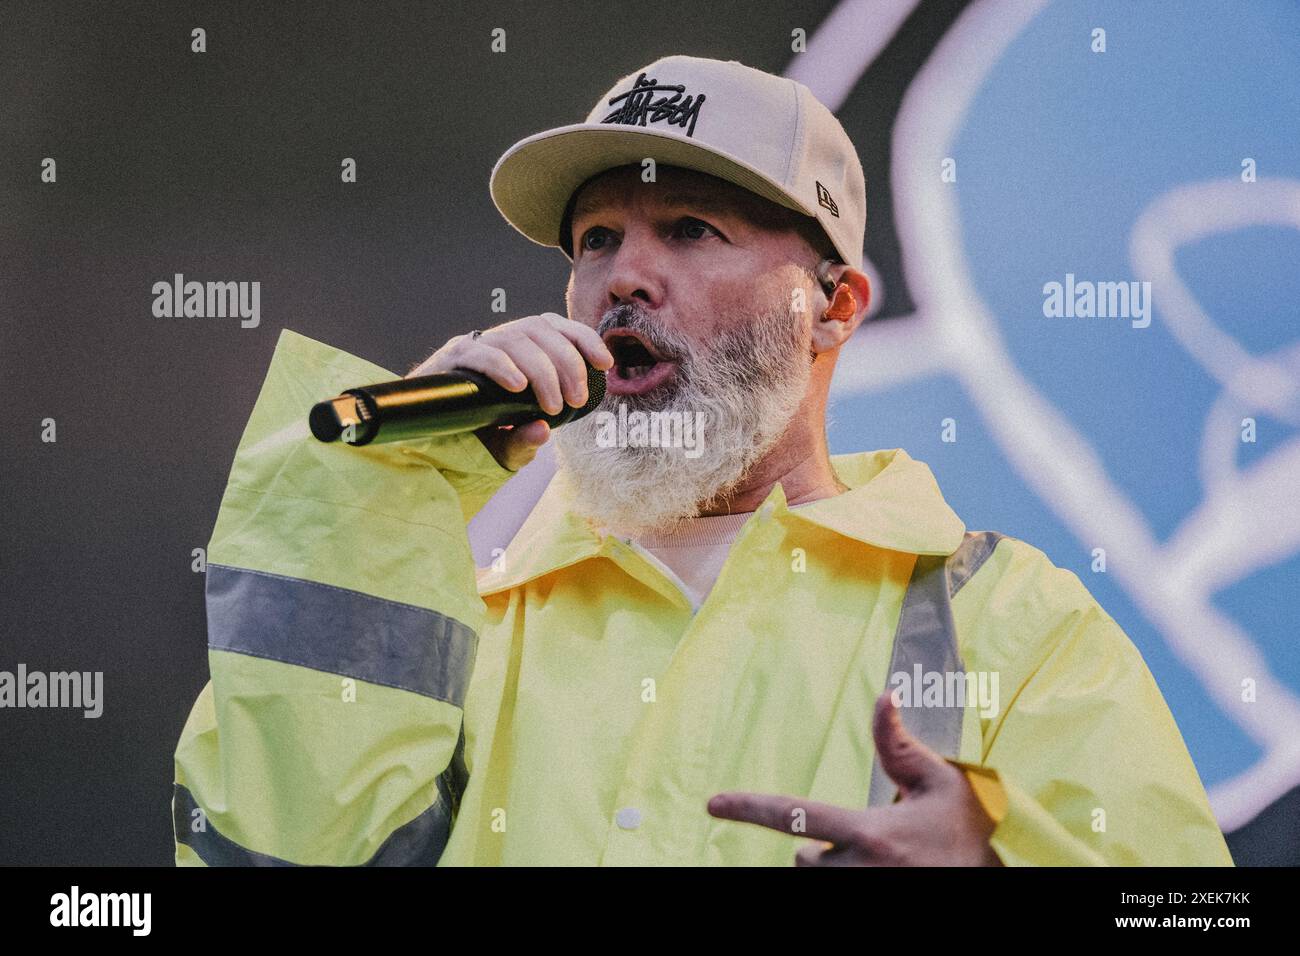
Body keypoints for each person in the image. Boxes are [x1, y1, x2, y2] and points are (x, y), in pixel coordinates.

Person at [171, 55, 1234, 866]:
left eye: (688, 228)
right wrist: (375, 491)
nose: (622, 277)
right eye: (594, 240)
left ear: (833, 308)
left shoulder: (1006, 620)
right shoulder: (457, 620)